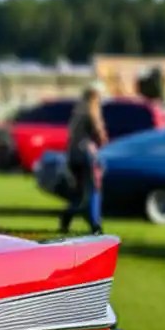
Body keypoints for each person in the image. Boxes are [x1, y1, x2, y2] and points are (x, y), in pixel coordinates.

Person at [60, 82, 109, 234]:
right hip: (87, 153)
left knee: (79, 191)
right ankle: (95, 224)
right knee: (94, 189)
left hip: (73, 153)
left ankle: (67, 216)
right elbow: (99, 131)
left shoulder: (78, 110)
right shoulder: (93, 109)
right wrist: (104, 142)